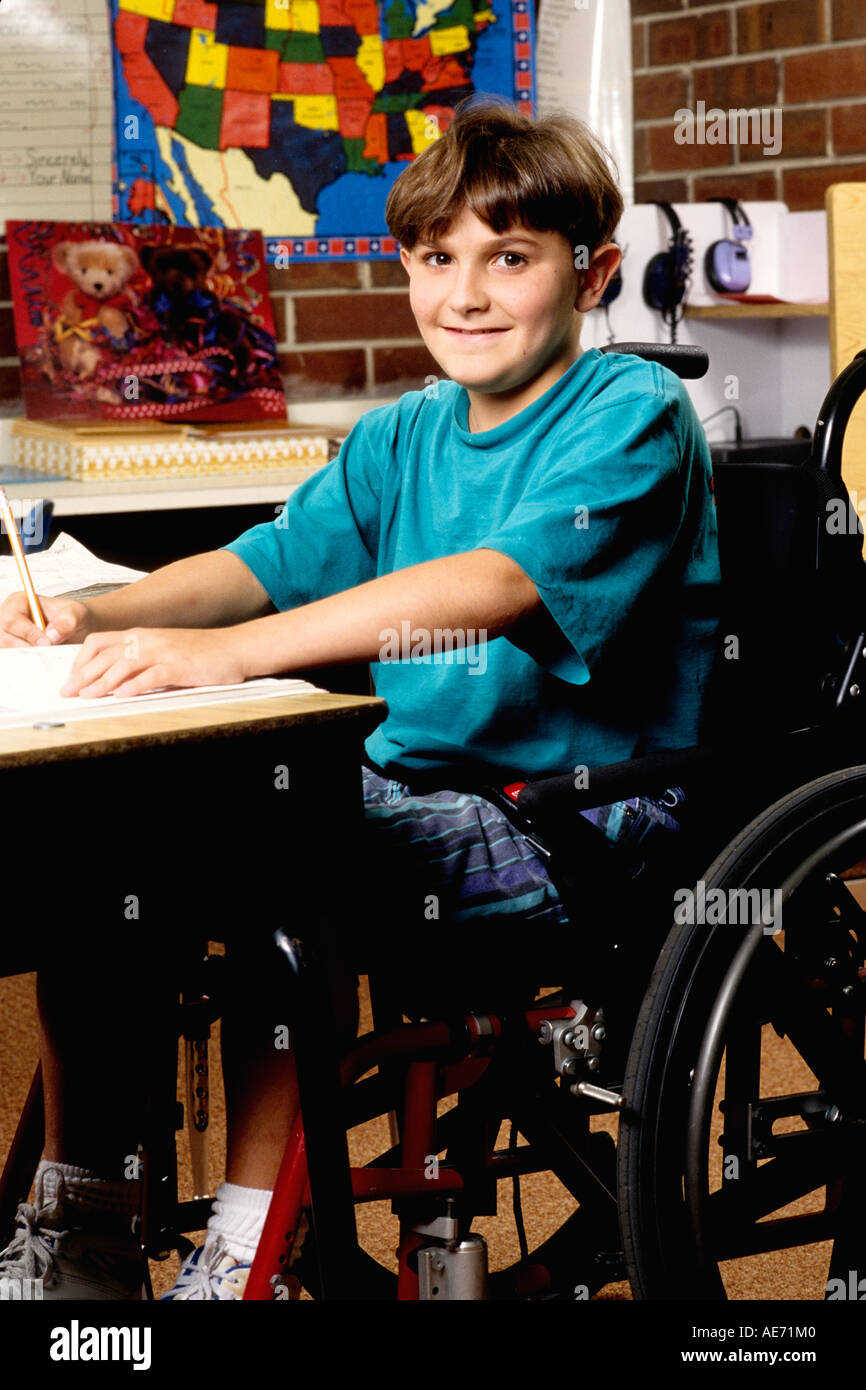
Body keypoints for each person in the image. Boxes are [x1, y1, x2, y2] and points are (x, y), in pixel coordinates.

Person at [0, 97, 720, 1299]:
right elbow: (262, 563)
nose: (468, 294)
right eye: (438, 258)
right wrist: (97, 613)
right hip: (417, 782)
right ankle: (87, 1218)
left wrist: (229, 659)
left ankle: (251, 1239)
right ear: (407, 268)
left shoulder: (630, 417)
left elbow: (489, 584)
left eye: (510, 257)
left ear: (590, 275)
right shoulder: (403, 434)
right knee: (107, 835)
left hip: (578, 816)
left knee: (285, 848)